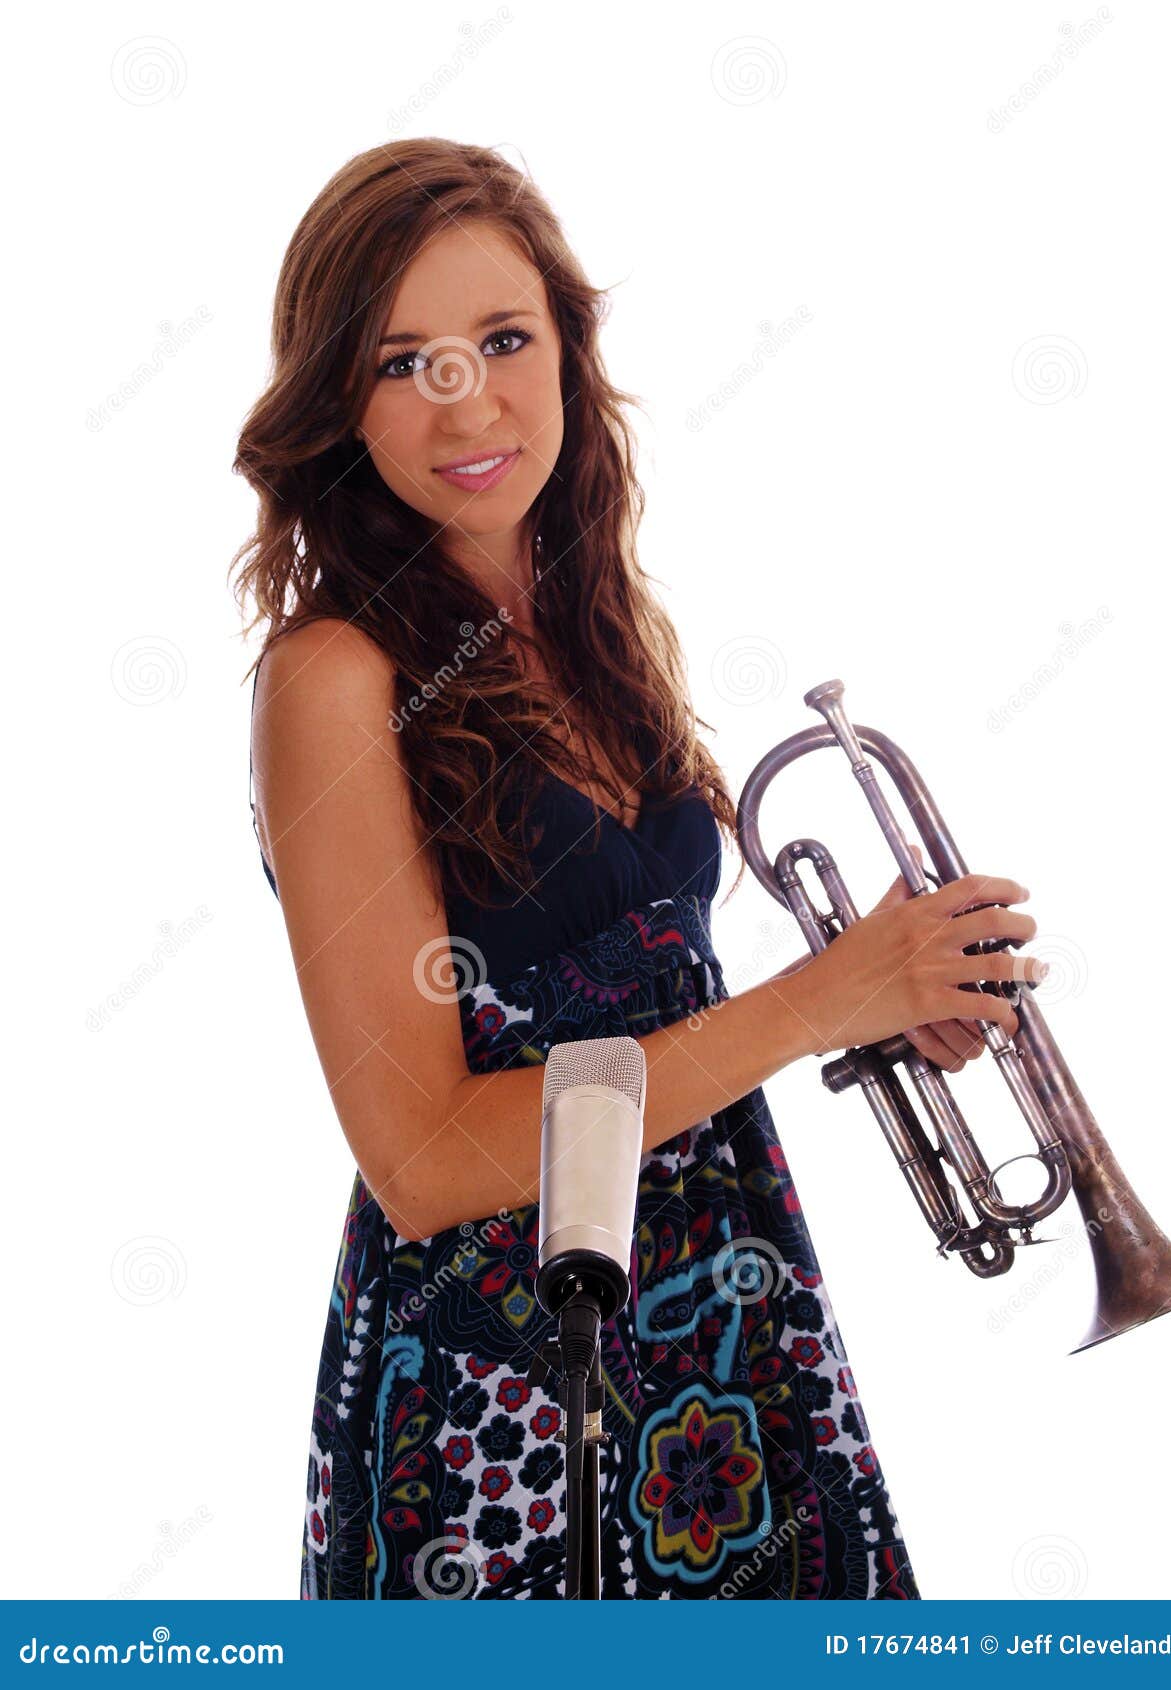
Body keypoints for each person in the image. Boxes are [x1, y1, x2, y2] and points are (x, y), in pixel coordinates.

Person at [234, 138, 1041, 1600]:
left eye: (501, 339)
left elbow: (661, 1018)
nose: (467, 397)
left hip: (729, 1325)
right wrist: (820, 997)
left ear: (568, 348)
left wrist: (884, 995)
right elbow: (418, 1159)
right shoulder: (332, 677)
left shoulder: (599, 630)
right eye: (402, 359)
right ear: (334, 404)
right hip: (504, 1391)